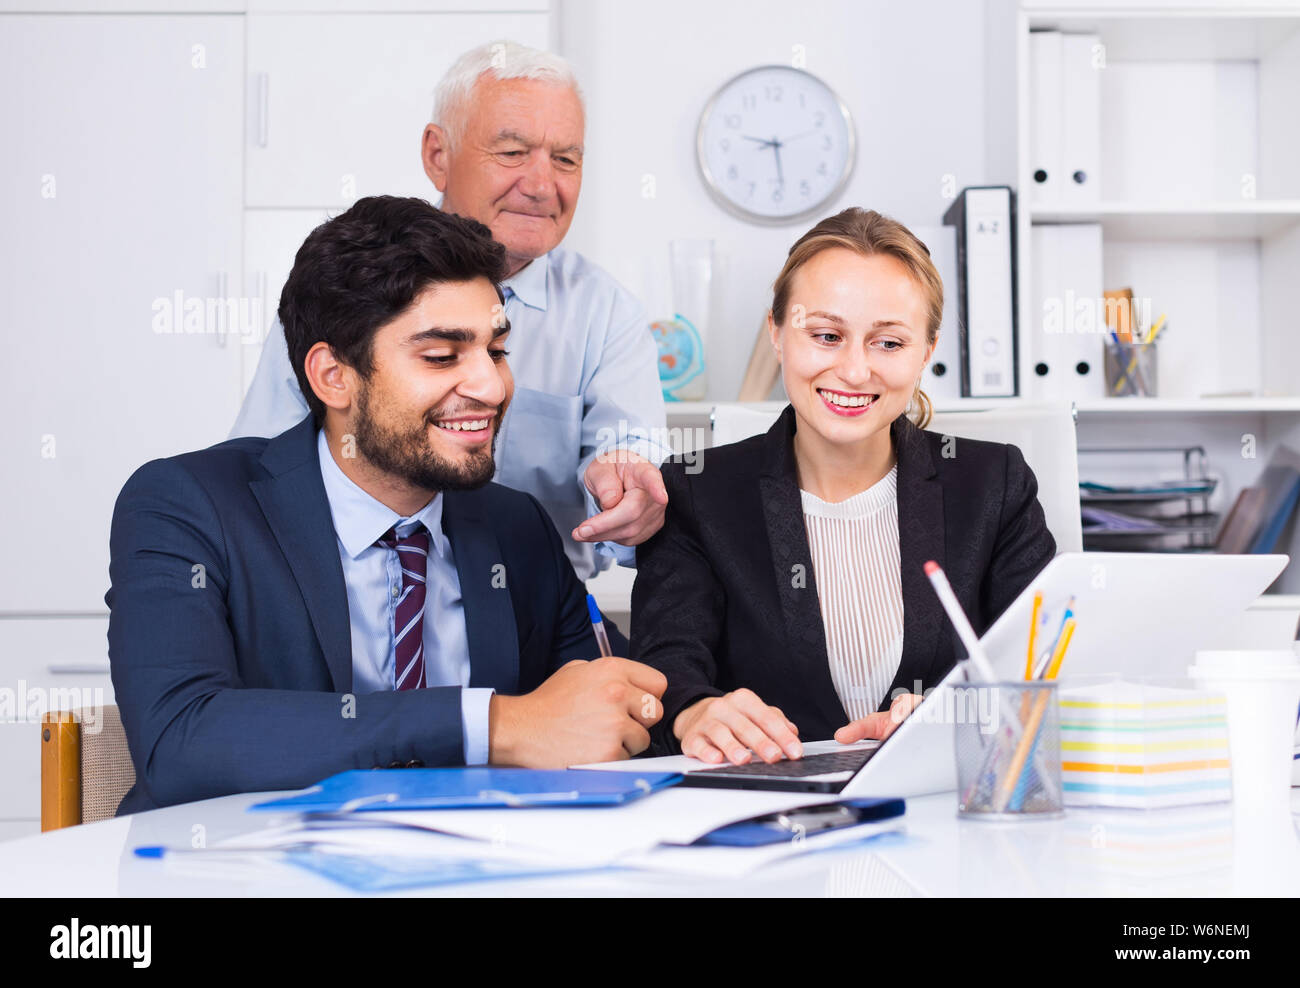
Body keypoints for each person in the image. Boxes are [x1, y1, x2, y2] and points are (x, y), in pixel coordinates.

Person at [107, 196, 665, 813]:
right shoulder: (187, 505)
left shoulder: (515, 526)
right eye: (440, 356)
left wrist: (696, 714)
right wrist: (493, 725)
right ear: (333, 376)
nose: (491, 386)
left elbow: (608, 699)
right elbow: (183, 740)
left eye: (496, 350)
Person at [231, 40, 669, 586]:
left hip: (534, 614)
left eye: (565, 159)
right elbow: (260, 467)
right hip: (347, 602)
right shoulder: (343, 282)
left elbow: (630, 453)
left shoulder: (607, 313)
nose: (540, 186)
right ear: (438, 156)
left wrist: (628, 484)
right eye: (511, 153)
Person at [631, 207, 1056, 766]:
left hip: (939, 813)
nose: (855, 371)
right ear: (777, 332)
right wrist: (695, 713)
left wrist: (954, 715)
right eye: (827, 336)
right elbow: (668, 675)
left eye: (888, 343)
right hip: (766, 819)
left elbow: (1042, 667)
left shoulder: (995, 485)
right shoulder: (695, 491)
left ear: (927, 350)